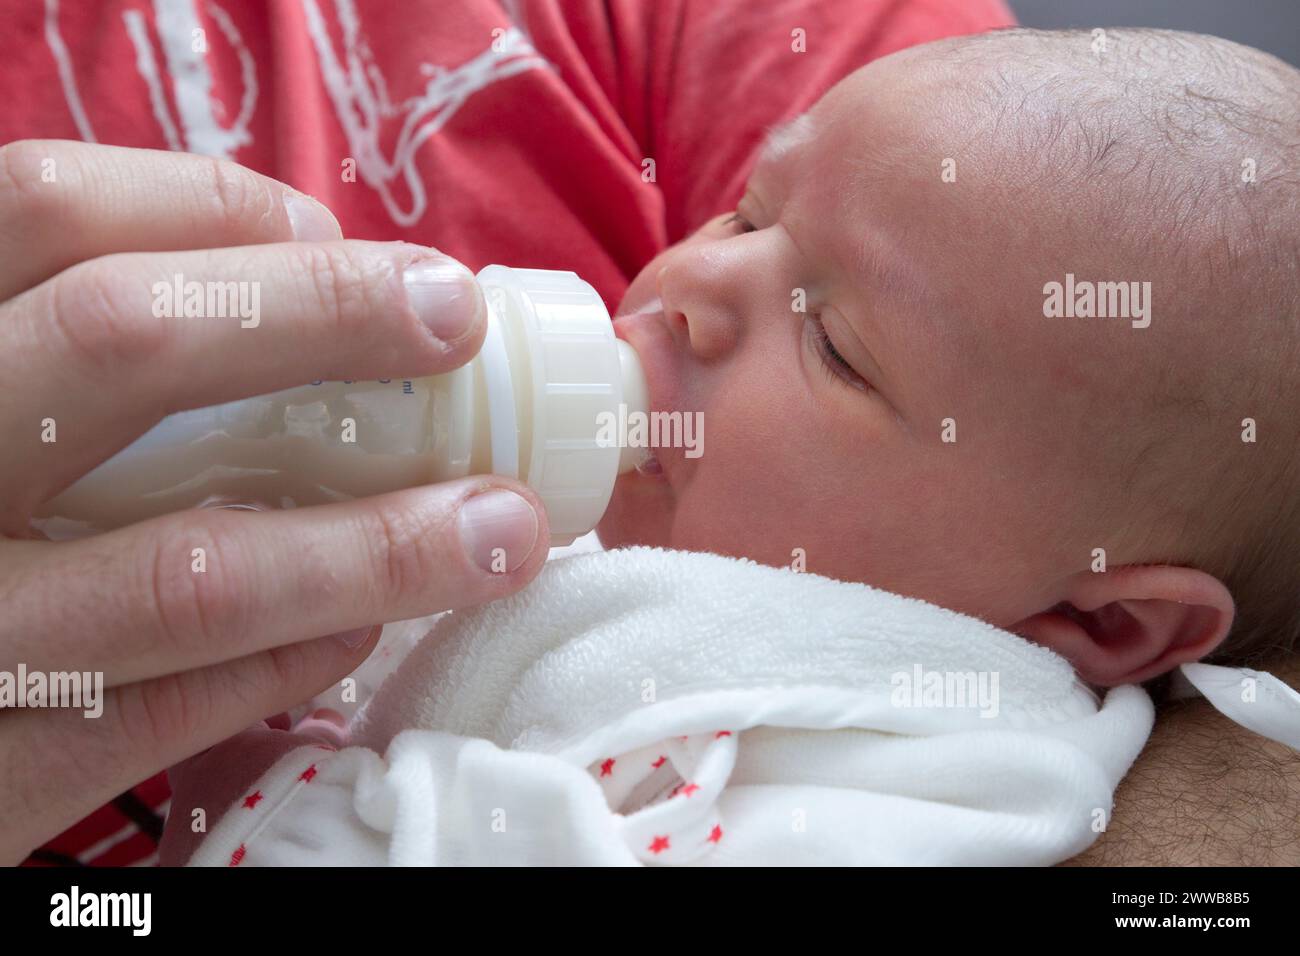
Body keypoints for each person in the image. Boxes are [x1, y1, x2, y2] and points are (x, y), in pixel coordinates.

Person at [1, 0, 1295, 865]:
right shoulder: (644, 559)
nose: (693, 282)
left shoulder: (929, 759)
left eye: (838, 348)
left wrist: (247, 742)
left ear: (1106, 627)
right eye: (740, 213)